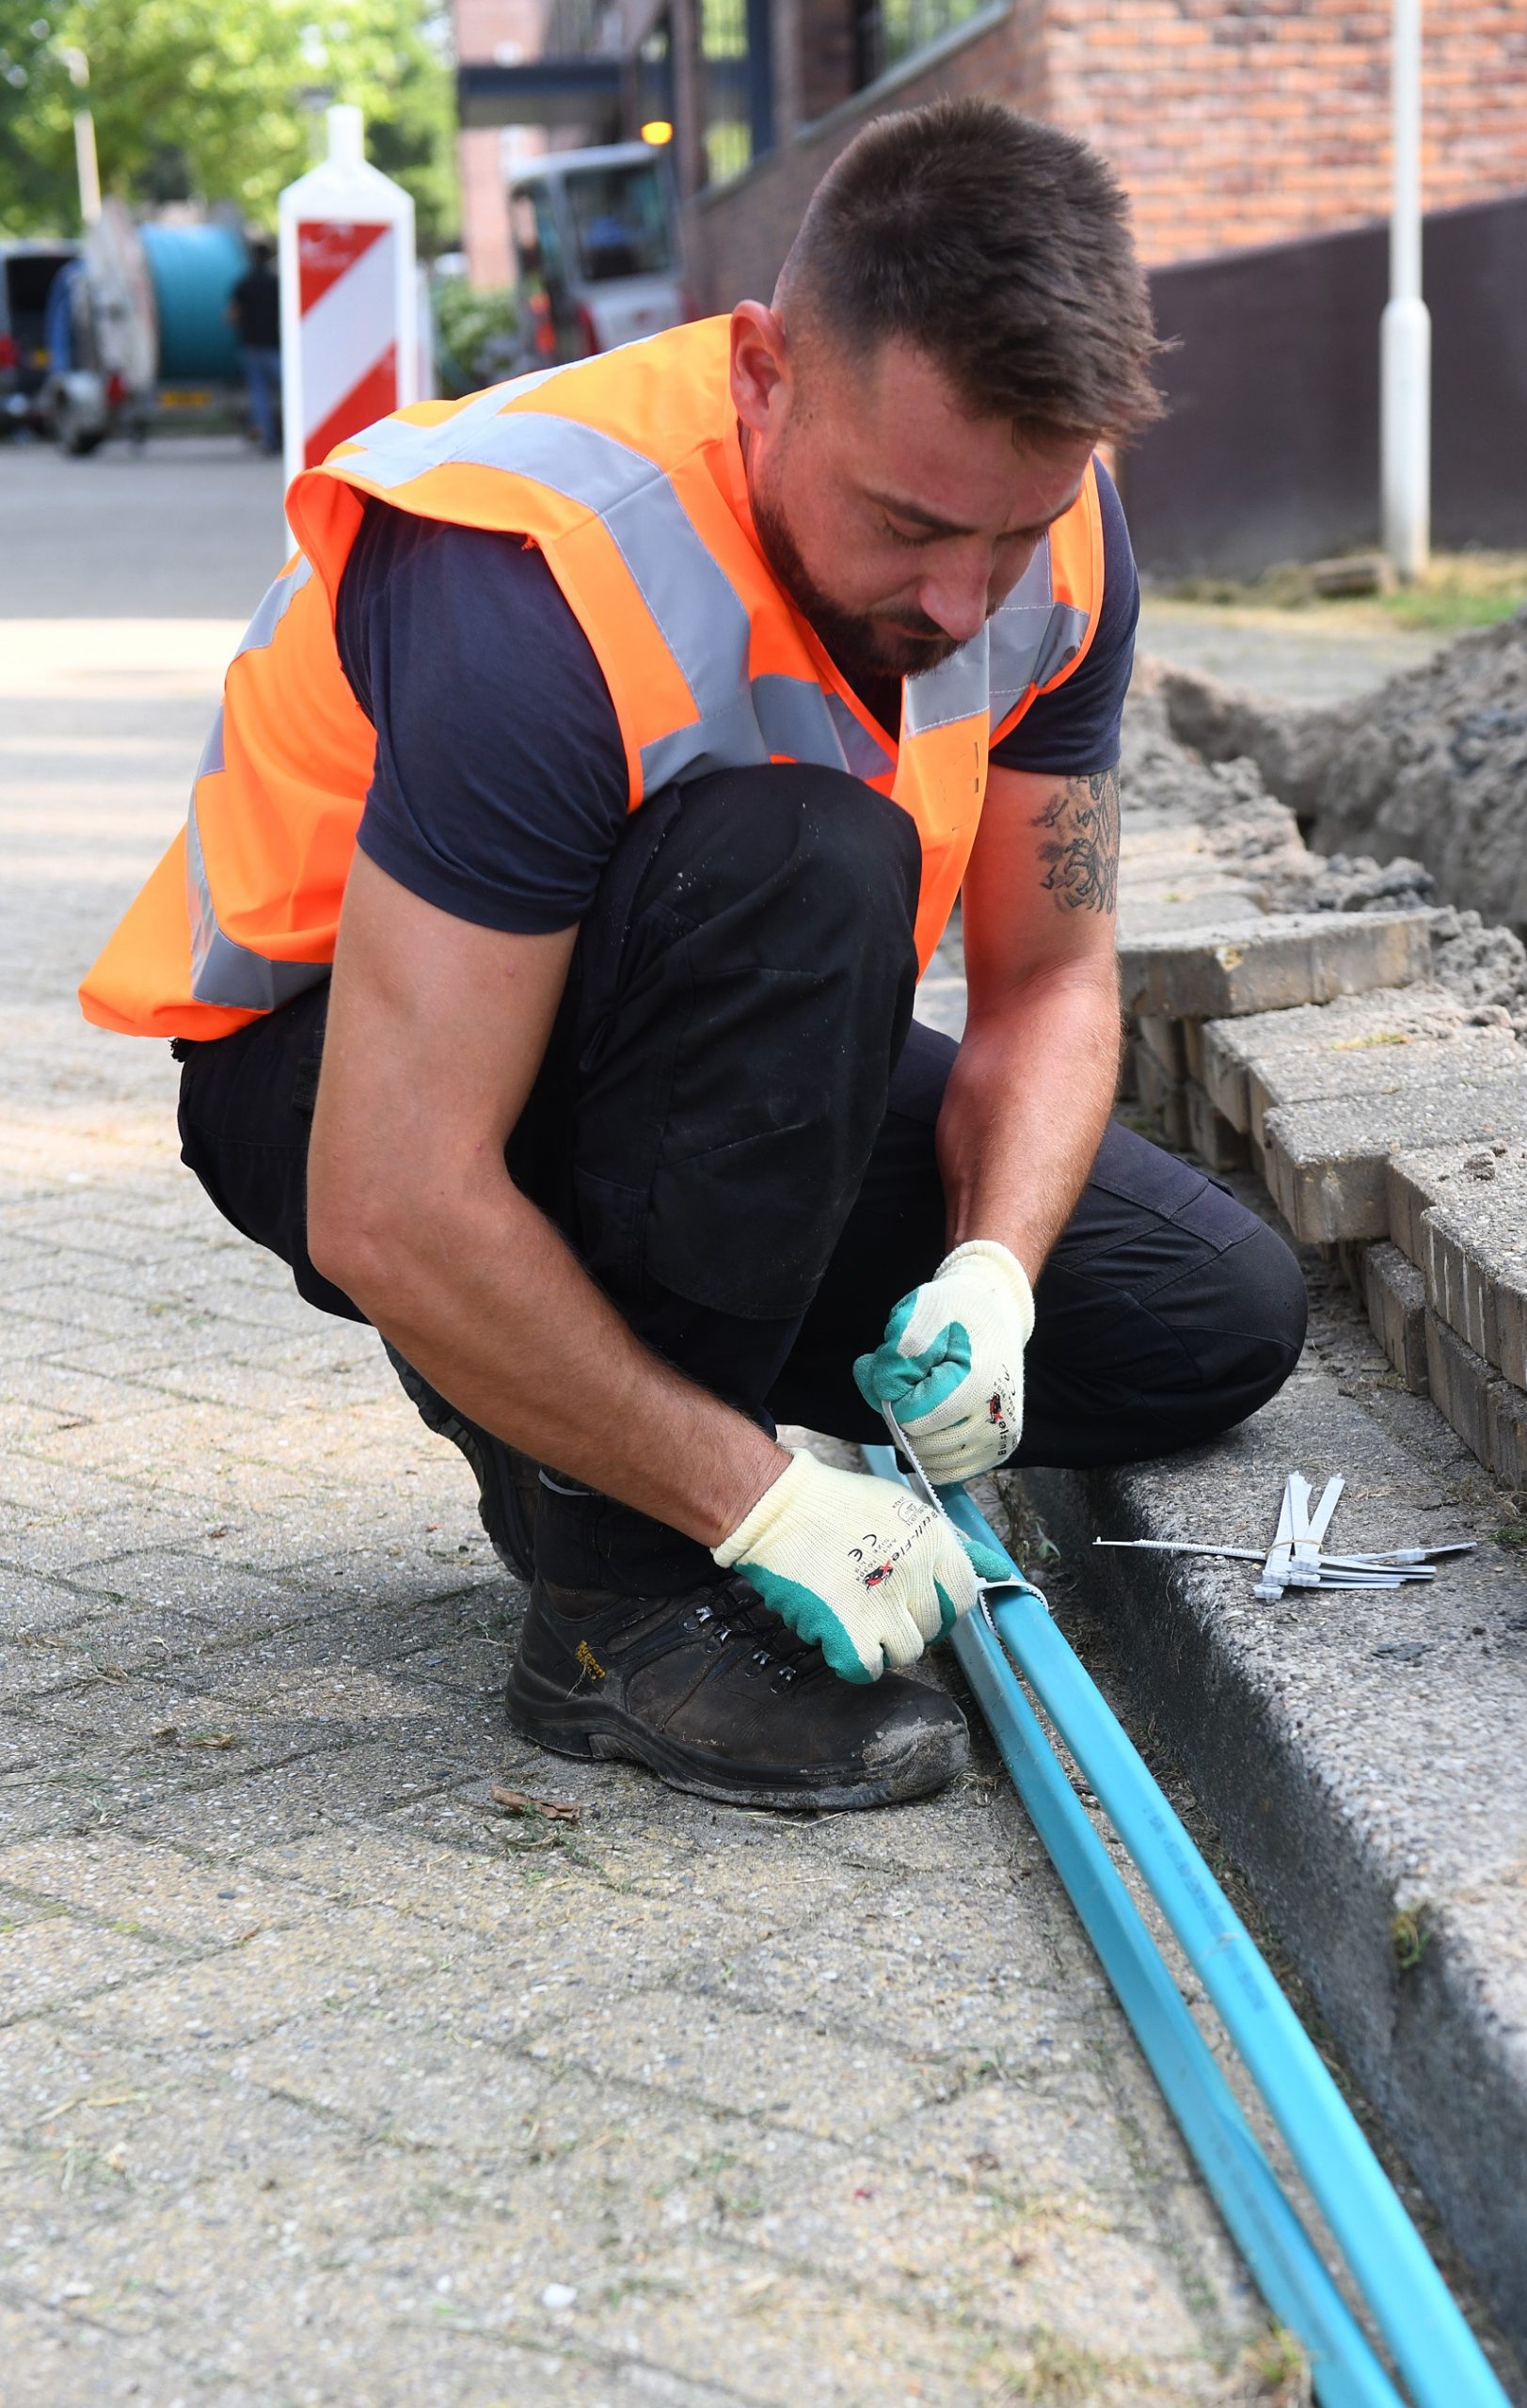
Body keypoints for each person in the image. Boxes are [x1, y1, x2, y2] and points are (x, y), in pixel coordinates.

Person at [80, 101, 1307, 1814]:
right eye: (907, 524)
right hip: (343, 1074)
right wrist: (763, 1502)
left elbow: (1049, 980)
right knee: (809, 853)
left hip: (727, 1015)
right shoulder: (541, 576)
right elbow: (390, 1196)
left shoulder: (1061, 547)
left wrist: (992, 1280)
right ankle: (617, 1606)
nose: (964, 604)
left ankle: (575, 1397)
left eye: (1007, 537)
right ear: (762, 374)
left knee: (1202, 1322)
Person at [229, 239, 281, 453]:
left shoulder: (243, 284)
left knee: (259, 396)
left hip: (250, 346)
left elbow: (232, 316)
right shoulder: (276, 284)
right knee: (290, 391)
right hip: (273, 345)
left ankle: (269, 439)